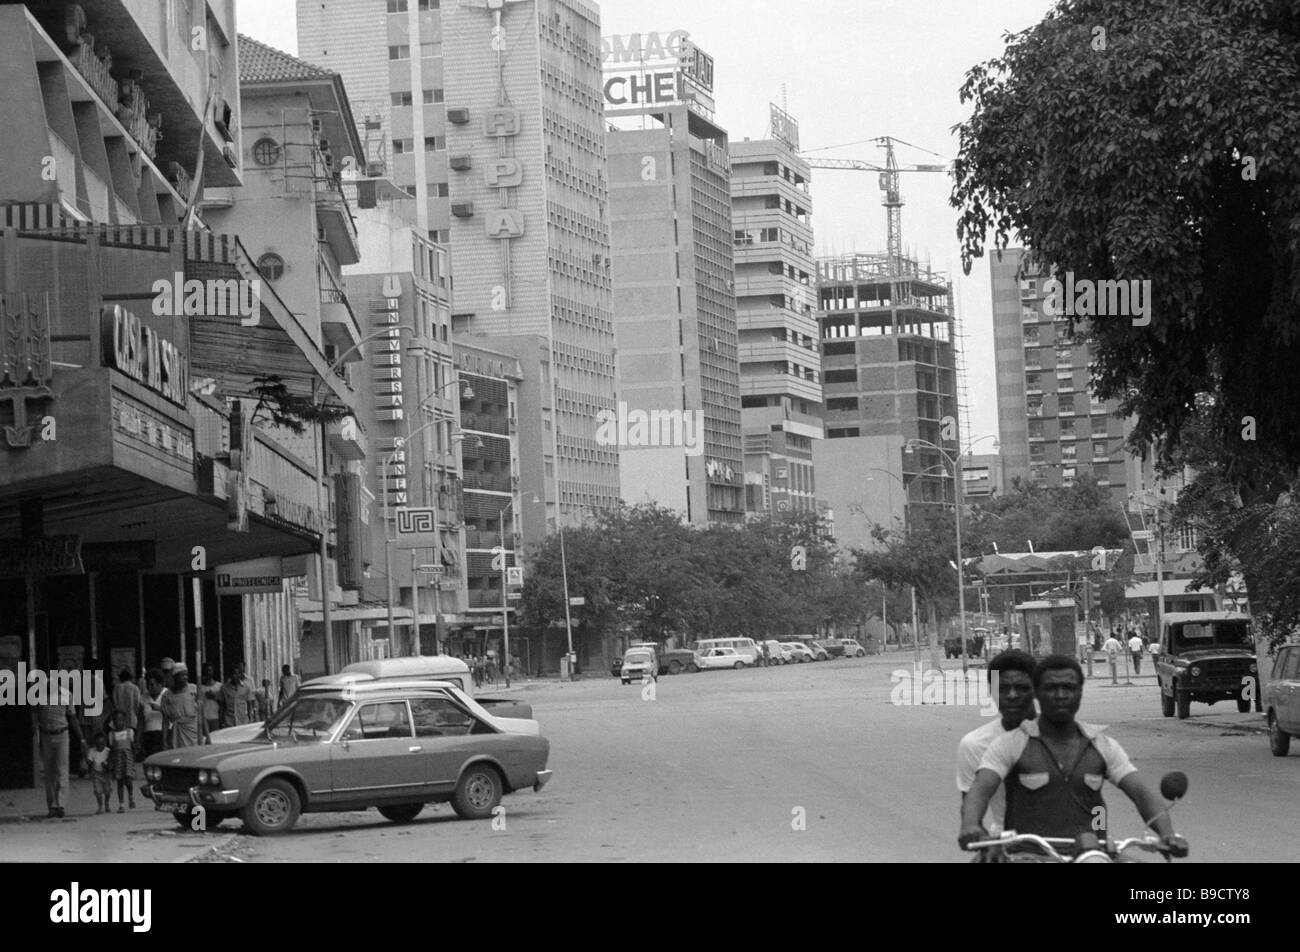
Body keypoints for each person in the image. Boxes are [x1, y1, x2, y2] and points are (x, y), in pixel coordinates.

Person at [958, 656, 1188, 859]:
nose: (1060, 695)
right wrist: (970, 825)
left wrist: (1167, 834)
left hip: (1090, 853)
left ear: (1080, 692)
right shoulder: (1010, 744)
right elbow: (978, 791)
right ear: (1038, 692)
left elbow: (1141, 793)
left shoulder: (1102, 745)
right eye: (1051, 688)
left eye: (1068, 688)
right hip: (1026, 854)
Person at [956, 650, 1038, 861]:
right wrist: (980, 836)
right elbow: (972, 804)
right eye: (1002, 689)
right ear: (990, 692)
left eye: (1021, 688)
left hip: (1071, 846)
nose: (1012, 695)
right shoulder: (975, 745)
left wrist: (1100, 834)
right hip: (1007, 846)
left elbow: (1096, 806)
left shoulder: (1067, 736)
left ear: (1037, 690)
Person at [38, 680, 84, 819]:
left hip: (62, 734)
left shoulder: (66, 695)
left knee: (62, 770)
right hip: (46, 735)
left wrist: (82, 738)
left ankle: (61, 805)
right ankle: (52, 806)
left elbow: (72, 717)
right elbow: (36, 716)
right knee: (49, 772)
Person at [160, 665, 204, 748]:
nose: (185, 677)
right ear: (175, 677)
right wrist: (164, 740)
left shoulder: (194, 690)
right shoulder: (167, 696)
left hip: (193, 734)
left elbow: (202, 715)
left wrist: (207, 737)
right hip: (176, 735)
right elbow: (165, 721)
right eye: (182, 675)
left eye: (186, 675)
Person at [108, 709, 136, 812]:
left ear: (124, 720)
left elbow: (132, 747)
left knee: (128, 780)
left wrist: (133, 760)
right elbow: (111, 750)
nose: (118, 722)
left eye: (120, 720)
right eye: (116, 720)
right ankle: (121, 804)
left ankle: (131, 796)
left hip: (127, 759)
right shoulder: (112, 734)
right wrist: (110, 762)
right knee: (120, 781)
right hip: (117, 759)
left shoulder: (130, 732)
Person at [140, 670, 168, 757]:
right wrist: (138, 739)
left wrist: (160, 709)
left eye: (152, 684)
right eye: (147, 684)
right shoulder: (144, 696)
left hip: (164, 733)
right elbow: (141, 719)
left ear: (160, 684)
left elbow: (174, 714)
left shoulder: (167, 694)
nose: (149, 687)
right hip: (148, 735)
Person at [110, 668, 144, 735]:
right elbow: (138, 704)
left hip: (118, 721)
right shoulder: (135, 688)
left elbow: (114, 704)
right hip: (132, 720)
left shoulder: (116, 688)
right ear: (130, 678)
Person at [86, 733, 111, 815]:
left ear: (105, 743)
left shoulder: (107, 751)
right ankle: (100, 806)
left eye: (102, 744)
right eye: (98, 744)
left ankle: (107, 802)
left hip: (106, 774)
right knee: (98, 791)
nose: (100, 746)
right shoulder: (92, 751)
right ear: (95, 744)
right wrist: (89, 764)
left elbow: (111, 762)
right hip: (96, 774)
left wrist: (107, 765)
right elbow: (89, 761)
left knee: (107, 791)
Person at [200, 666, 222, 735]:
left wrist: (214, 697)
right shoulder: (199, 687)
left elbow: (223, 703)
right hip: (204, 718)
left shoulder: (219, 686)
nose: (208, 672)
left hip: (216, 717)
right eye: (206, 670)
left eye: (210, 670)